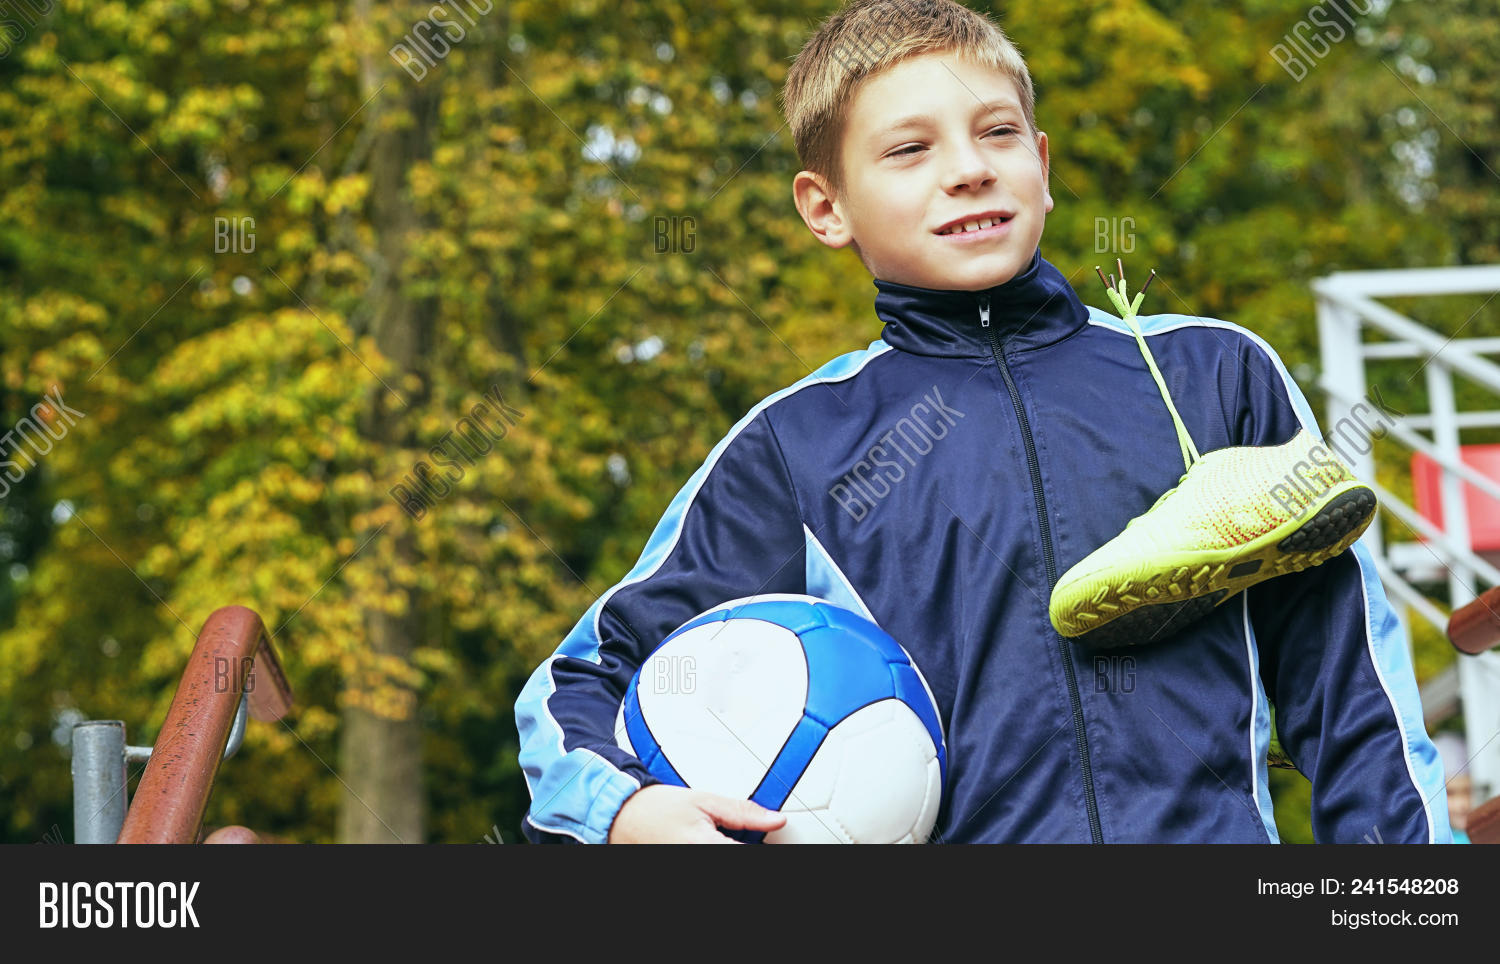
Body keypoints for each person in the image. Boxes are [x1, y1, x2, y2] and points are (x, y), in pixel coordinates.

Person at [514, 0, 1452, 843]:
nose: (969, 170)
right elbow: (582, 683)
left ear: (1042, 166)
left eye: (998, 133)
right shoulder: (792, 449)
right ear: (826, 207)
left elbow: (1354, 695)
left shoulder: (1214, 375)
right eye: (909, 149)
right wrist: (624, 810)